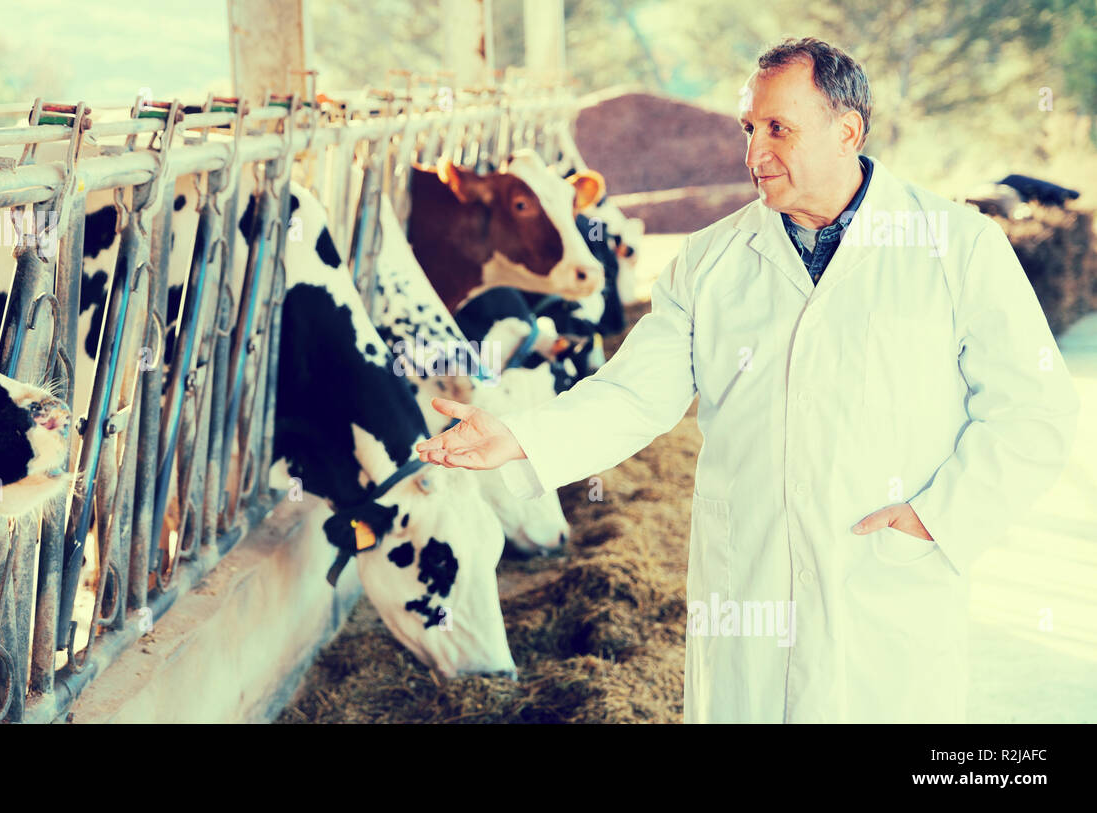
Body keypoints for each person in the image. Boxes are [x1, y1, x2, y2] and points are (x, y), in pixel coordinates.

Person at [413, 37, 1081, 723]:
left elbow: (1034, 413)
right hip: (748, 595)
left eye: (778, 129)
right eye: (749, 128)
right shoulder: (711, 262)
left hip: (887, 590)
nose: (754, 153)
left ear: (847, 130)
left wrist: (935, 519)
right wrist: (520, 434)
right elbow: (633, 393)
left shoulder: (957, 248)